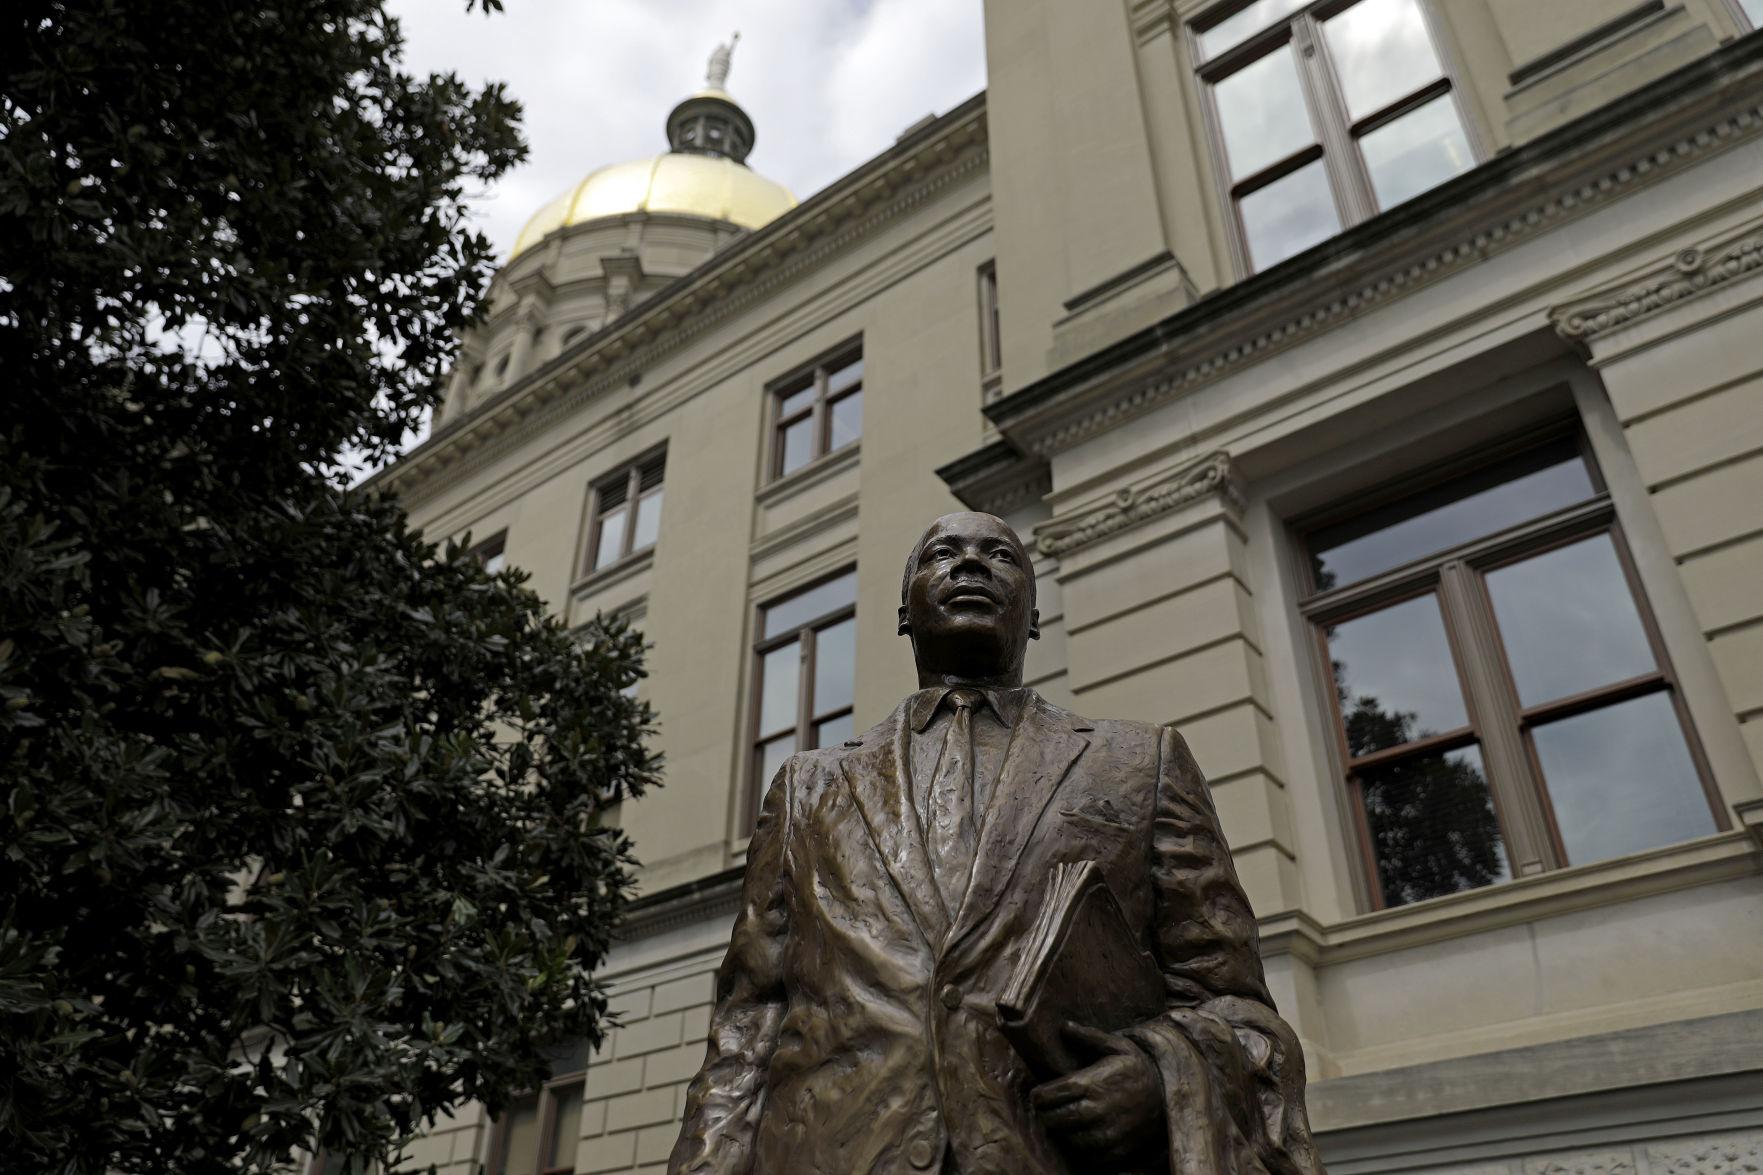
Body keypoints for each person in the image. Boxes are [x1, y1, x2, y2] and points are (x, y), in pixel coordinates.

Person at [668, 511, 1319, 1174]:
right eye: (943, 552)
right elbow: (745, 1028)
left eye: (1000, 554)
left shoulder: (1142, 762)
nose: (971, 563)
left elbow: (1239, 1011)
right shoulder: (808, 785)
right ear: (902, 611)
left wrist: (1161, 1077)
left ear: (1035, 615)